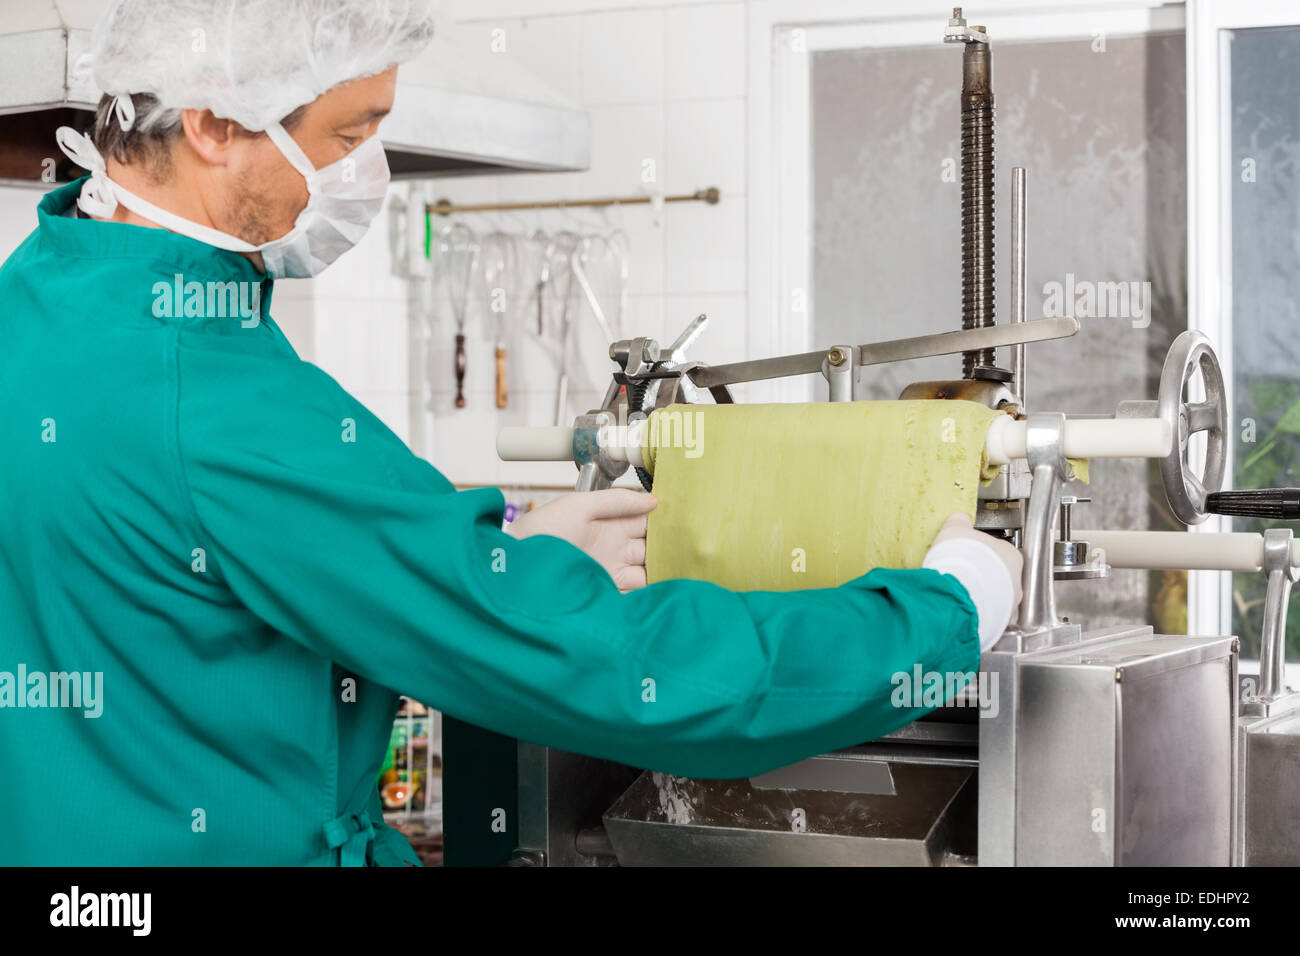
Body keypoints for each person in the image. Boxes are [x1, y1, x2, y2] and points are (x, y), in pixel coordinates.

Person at [0, 0, 1023, 866]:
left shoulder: (39, 303)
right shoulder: (218, 397)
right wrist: (936, 616)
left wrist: (498, 547)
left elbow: (218, 559)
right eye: (349, 137)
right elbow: (620, 673)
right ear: (214, 123)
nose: (371, 175)